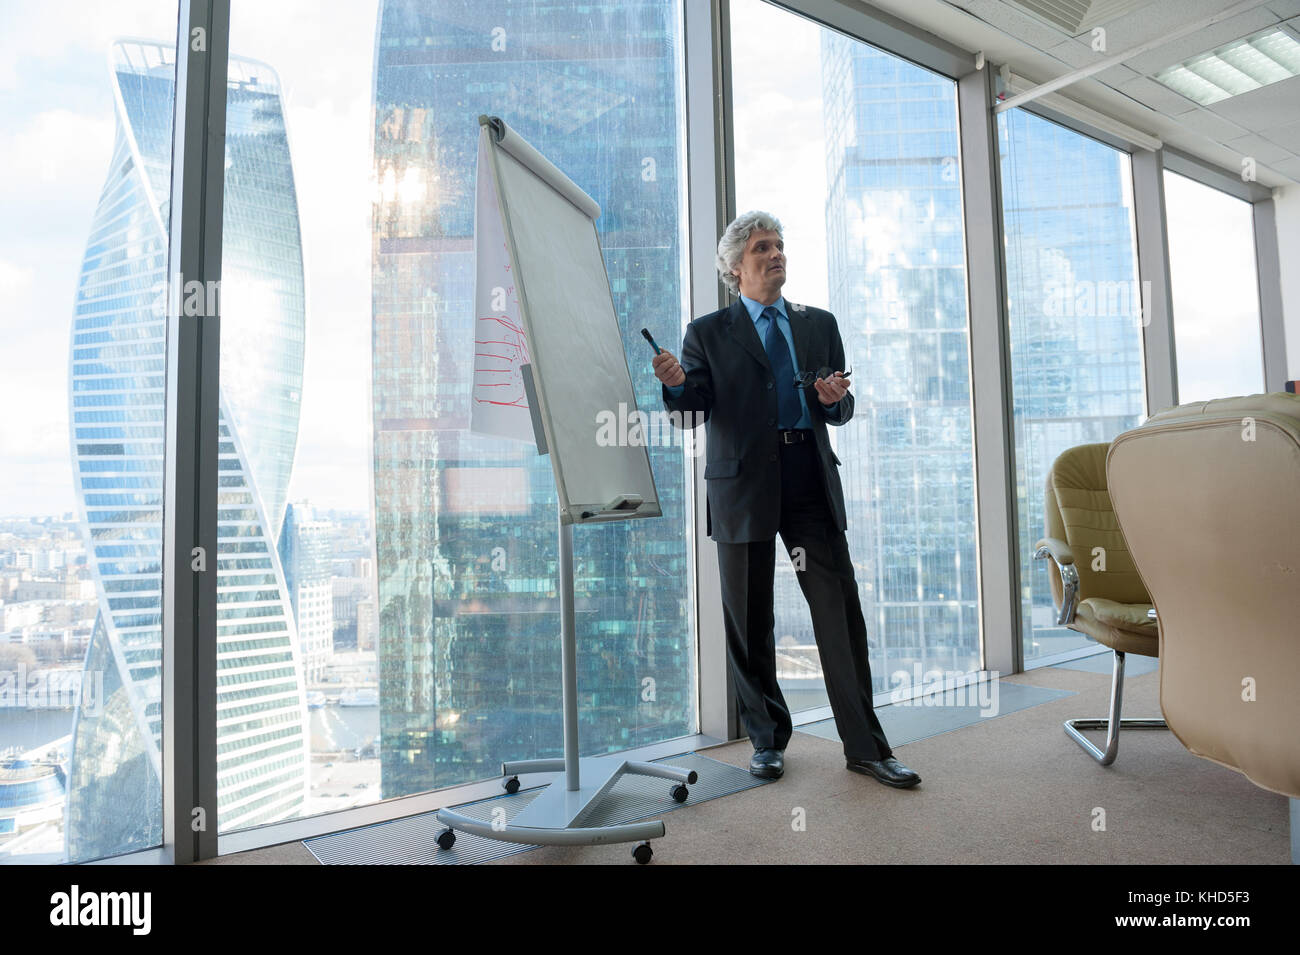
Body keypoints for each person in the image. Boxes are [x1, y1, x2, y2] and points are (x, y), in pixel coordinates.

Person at [653, 210, 920, 788]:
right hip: (742, 485)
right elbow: (693, 413)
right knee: (749, 622)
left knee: (838, 615)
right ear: (734, 268)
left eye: (778, 245)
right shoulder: (706, 333)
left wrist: (831, 399)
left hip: (807, 477)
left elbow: (841, 408)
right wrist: (675, 386)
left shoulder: (818, 323)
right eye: (761, 249)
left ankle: (867, 747)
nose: (775, 255)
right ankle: (767, 741)